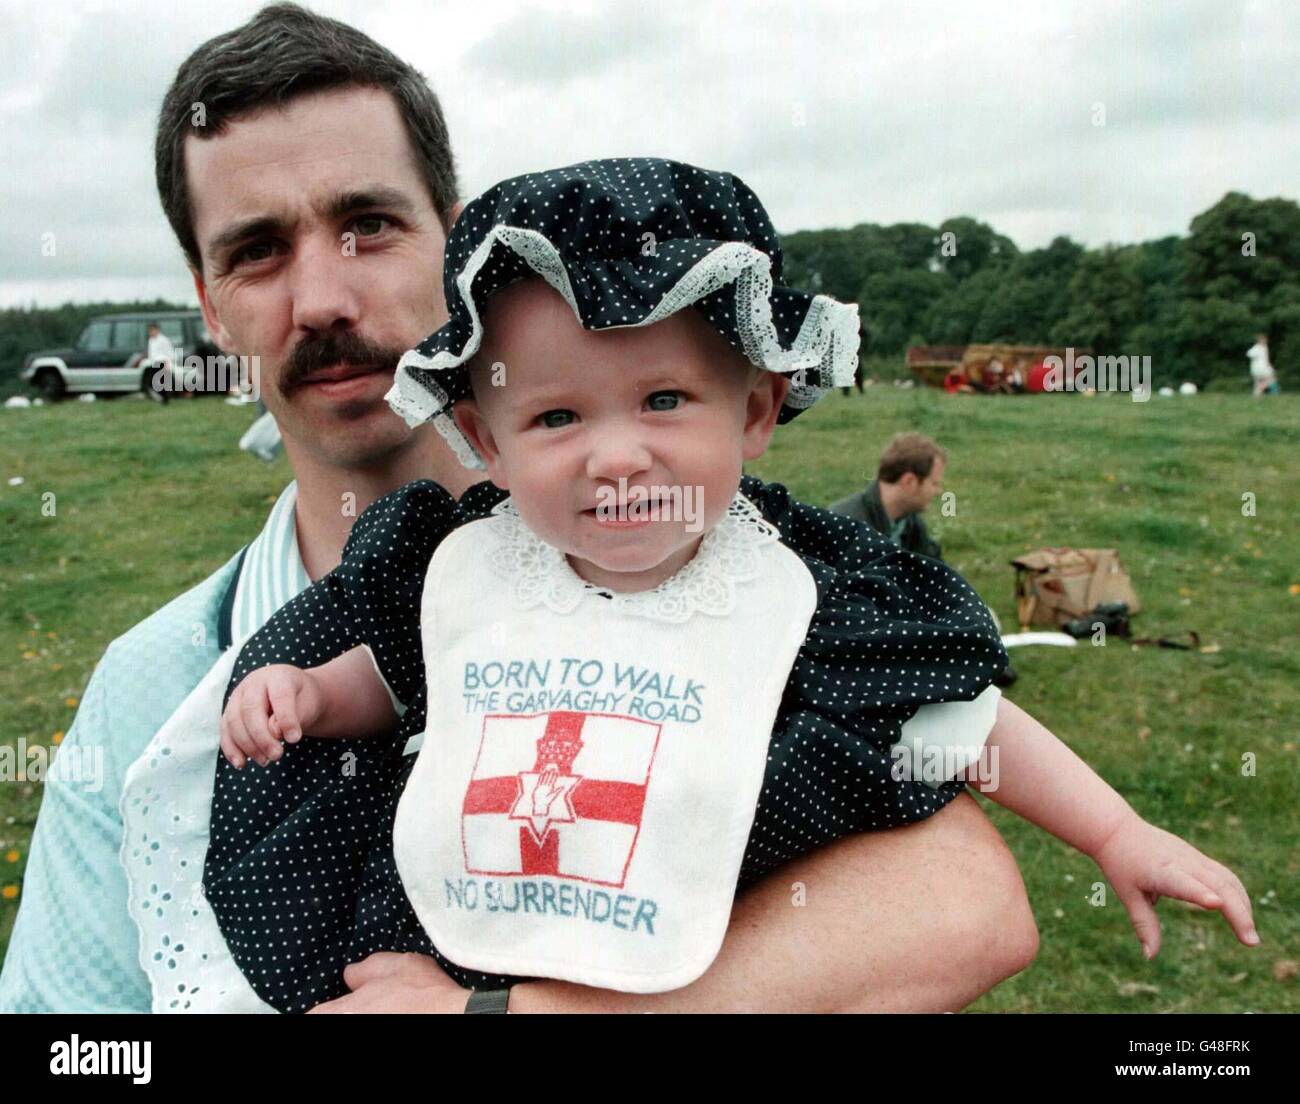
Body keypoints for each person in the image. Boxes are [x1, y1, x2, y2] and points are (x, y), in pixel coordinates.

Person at [0, 5, 1039, 1015]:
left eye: (368, 224)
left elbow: (968, 909)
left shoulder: (726, 587)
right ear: (210, 305)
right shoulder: (147, 695)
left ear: (456, 251)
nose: (320, 296)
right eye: (257, 251)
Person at [210, 160, 1255, 1011]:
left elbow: (957, 726)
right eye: (557, 418)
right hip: (467, 943)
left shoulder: (802, 587)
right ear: (483, 439)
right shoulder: (466, 566)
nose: (615, 457)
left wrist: (1116, 831)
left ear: (757, 410)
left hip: (706, 938)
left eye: (663, 399)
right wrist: (309, 694)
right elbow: (414, 673)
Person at [829, 433, 946, 560]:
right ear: (909, 481)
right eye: (934, 484)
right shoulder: (845, 525)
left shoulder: (911, 524)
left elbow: (937, 572)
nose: (938, 491)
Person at [145, 321, 178, 400]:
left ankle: (166, 398)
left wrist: (168, 364)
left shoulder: (164, 340)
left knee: (163, 382)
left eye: (152, 330)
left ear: (157, 330)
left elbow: (170, 353)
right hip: (154, 363)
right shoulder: (151, 340)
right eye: (149, 331)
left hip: (163, 363)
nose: (151, 332)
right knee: (153, 382)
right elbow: (151, 354)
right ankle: (162, 396)